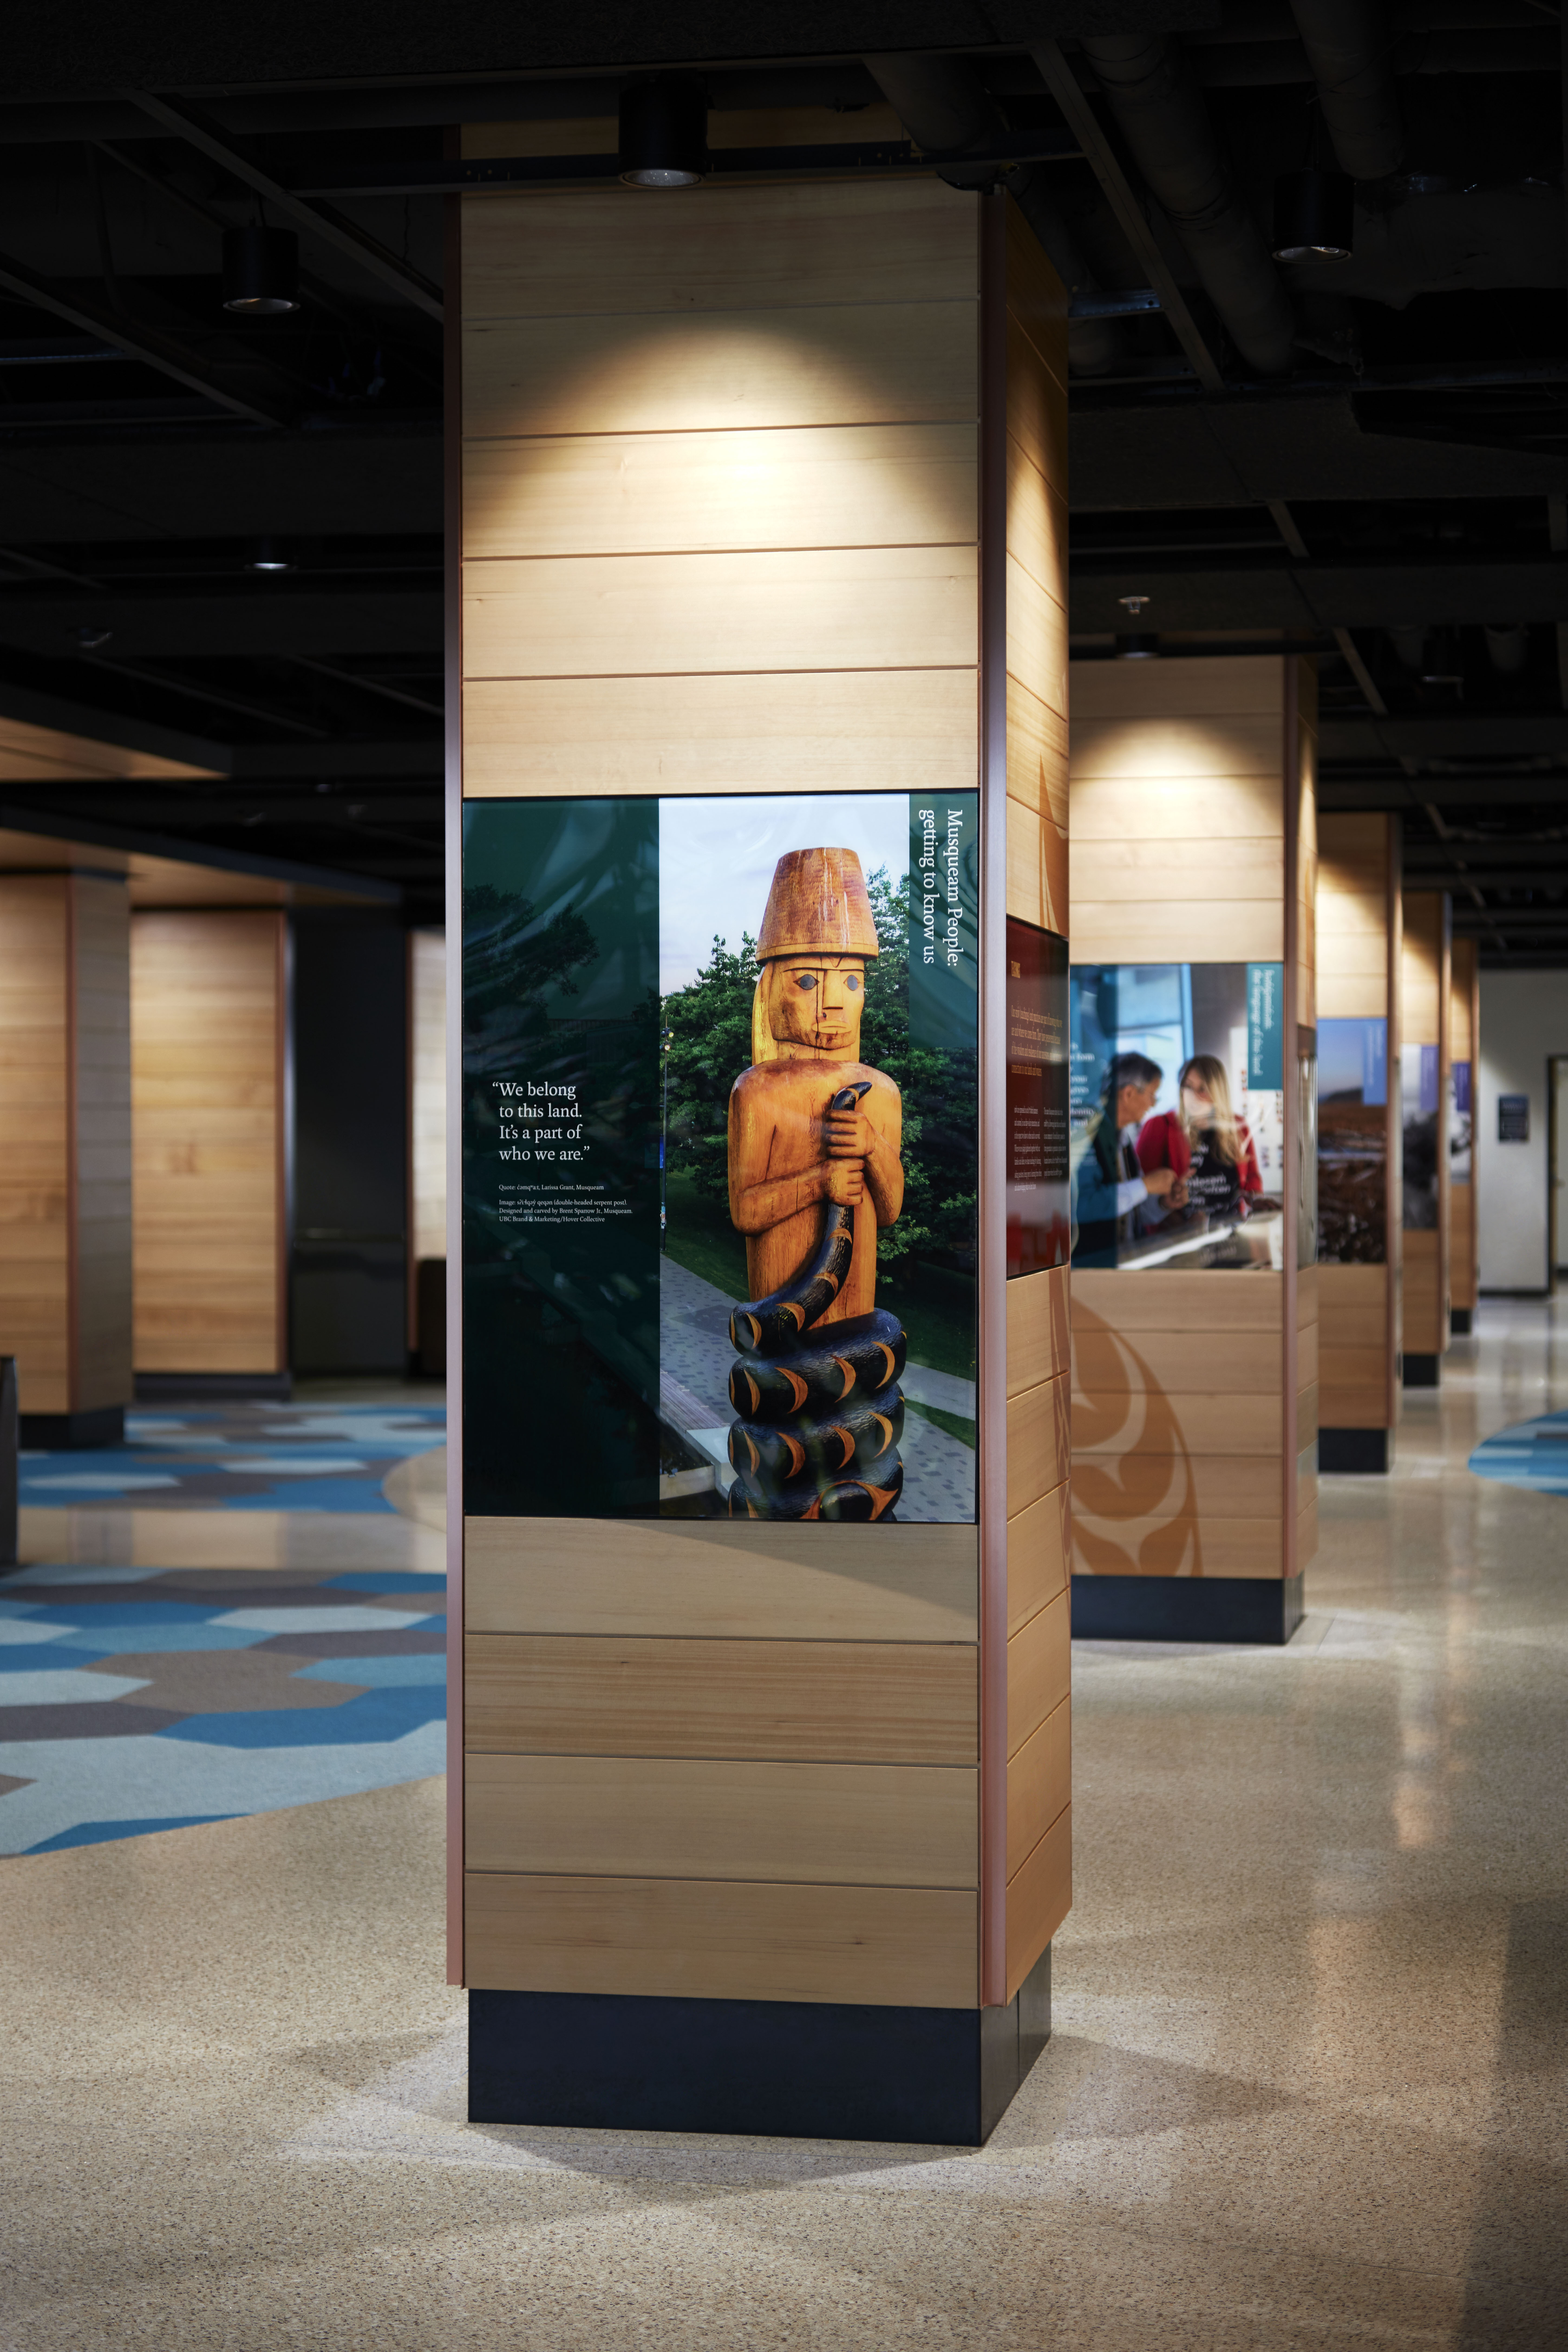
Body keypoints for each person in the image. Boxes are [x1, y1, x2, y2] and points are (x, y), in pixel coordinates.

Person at [1072, 1050, 1181, 1265]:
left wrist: (1164, 1203)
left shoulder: (1125, 1141)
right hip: (1092, 1269)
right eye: (1152, 1095)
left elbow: (1134, 1211)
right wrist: (1146, 1186)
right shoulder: (1085, 1134)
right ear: (1129, 1094)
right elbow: (1081, 1206)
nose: (1153, 1104)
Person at [1136, 1053, 1262, 1229]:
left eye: (1203, 1089)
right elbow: (1143, 1194)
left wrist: (1257, 1203)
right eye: (1188, 1087)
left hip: (1232, 1230)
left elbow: (1252, 1178)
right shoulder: (1160, 1126)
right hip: (1177, 1236)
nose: (1193, 1096)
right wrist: (1186, 1229)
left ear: (1218, 1092)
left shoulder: (1237, 1126)